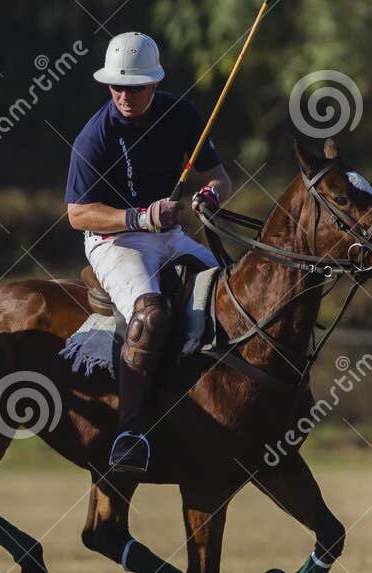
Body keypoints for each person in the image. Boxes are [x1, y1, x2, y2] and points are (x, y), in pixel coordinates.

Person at [66, 32, 235, 477]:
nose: (124, 95)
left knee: (234, 298)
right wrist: (140, 218)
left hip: (170, 231)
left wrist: (209, 198)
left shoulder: (182, 114)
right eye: (116, 86)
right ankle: (131, 431)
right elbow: (78, 214)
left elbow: (219, 176)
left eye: (134, 87)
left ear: (154, 84)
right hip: (115, 240)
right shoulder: (94, 136)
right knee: (152, 314)